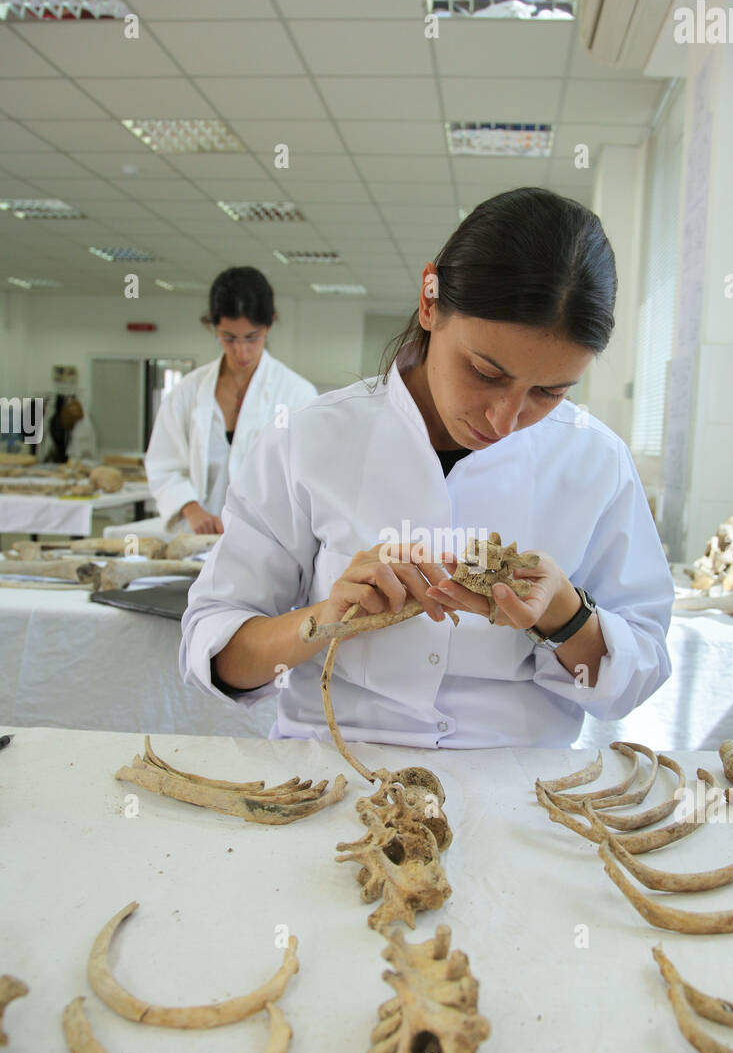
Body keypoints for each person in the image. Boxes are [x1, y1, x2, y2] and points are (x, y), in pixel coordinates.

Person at [180, 188, 674, 750]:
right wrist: (324, 618)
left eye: (549, 391)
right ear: (430, 301)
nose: (504, 419)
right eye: (485, 371)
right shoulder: (309, 438)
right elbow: (215, 655)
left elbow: (638, 678)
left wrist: (564, 616)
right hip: (334, 769)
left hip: (518, 780)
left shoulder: (595, 460)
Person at [144, 267, 317, 534]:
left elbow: (307, 479)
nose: (241, 351)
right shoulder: (186, 393)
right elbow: (163, 466)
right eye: (229, 337)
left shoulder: (298, 395)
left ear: (270, 323)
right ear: (213, 326)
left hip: (267, 541)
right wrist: (191, 509)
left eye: (252, 337)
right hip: (195, 539)